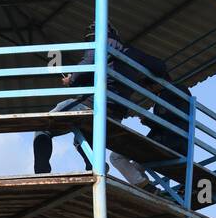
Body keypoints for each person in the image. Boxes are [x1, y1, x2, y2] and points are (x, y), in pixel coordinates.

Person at [33, 21, 155, 188]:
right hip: (116, 114)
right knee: (80, 140)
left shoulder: (99, 45)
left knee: (43, 127)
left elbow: (81, 72)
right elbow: (159, 66)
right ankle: (94, 165)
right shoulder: (132, 53)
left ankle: (41, 174)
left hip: (93, 106)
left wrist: (71, 79)